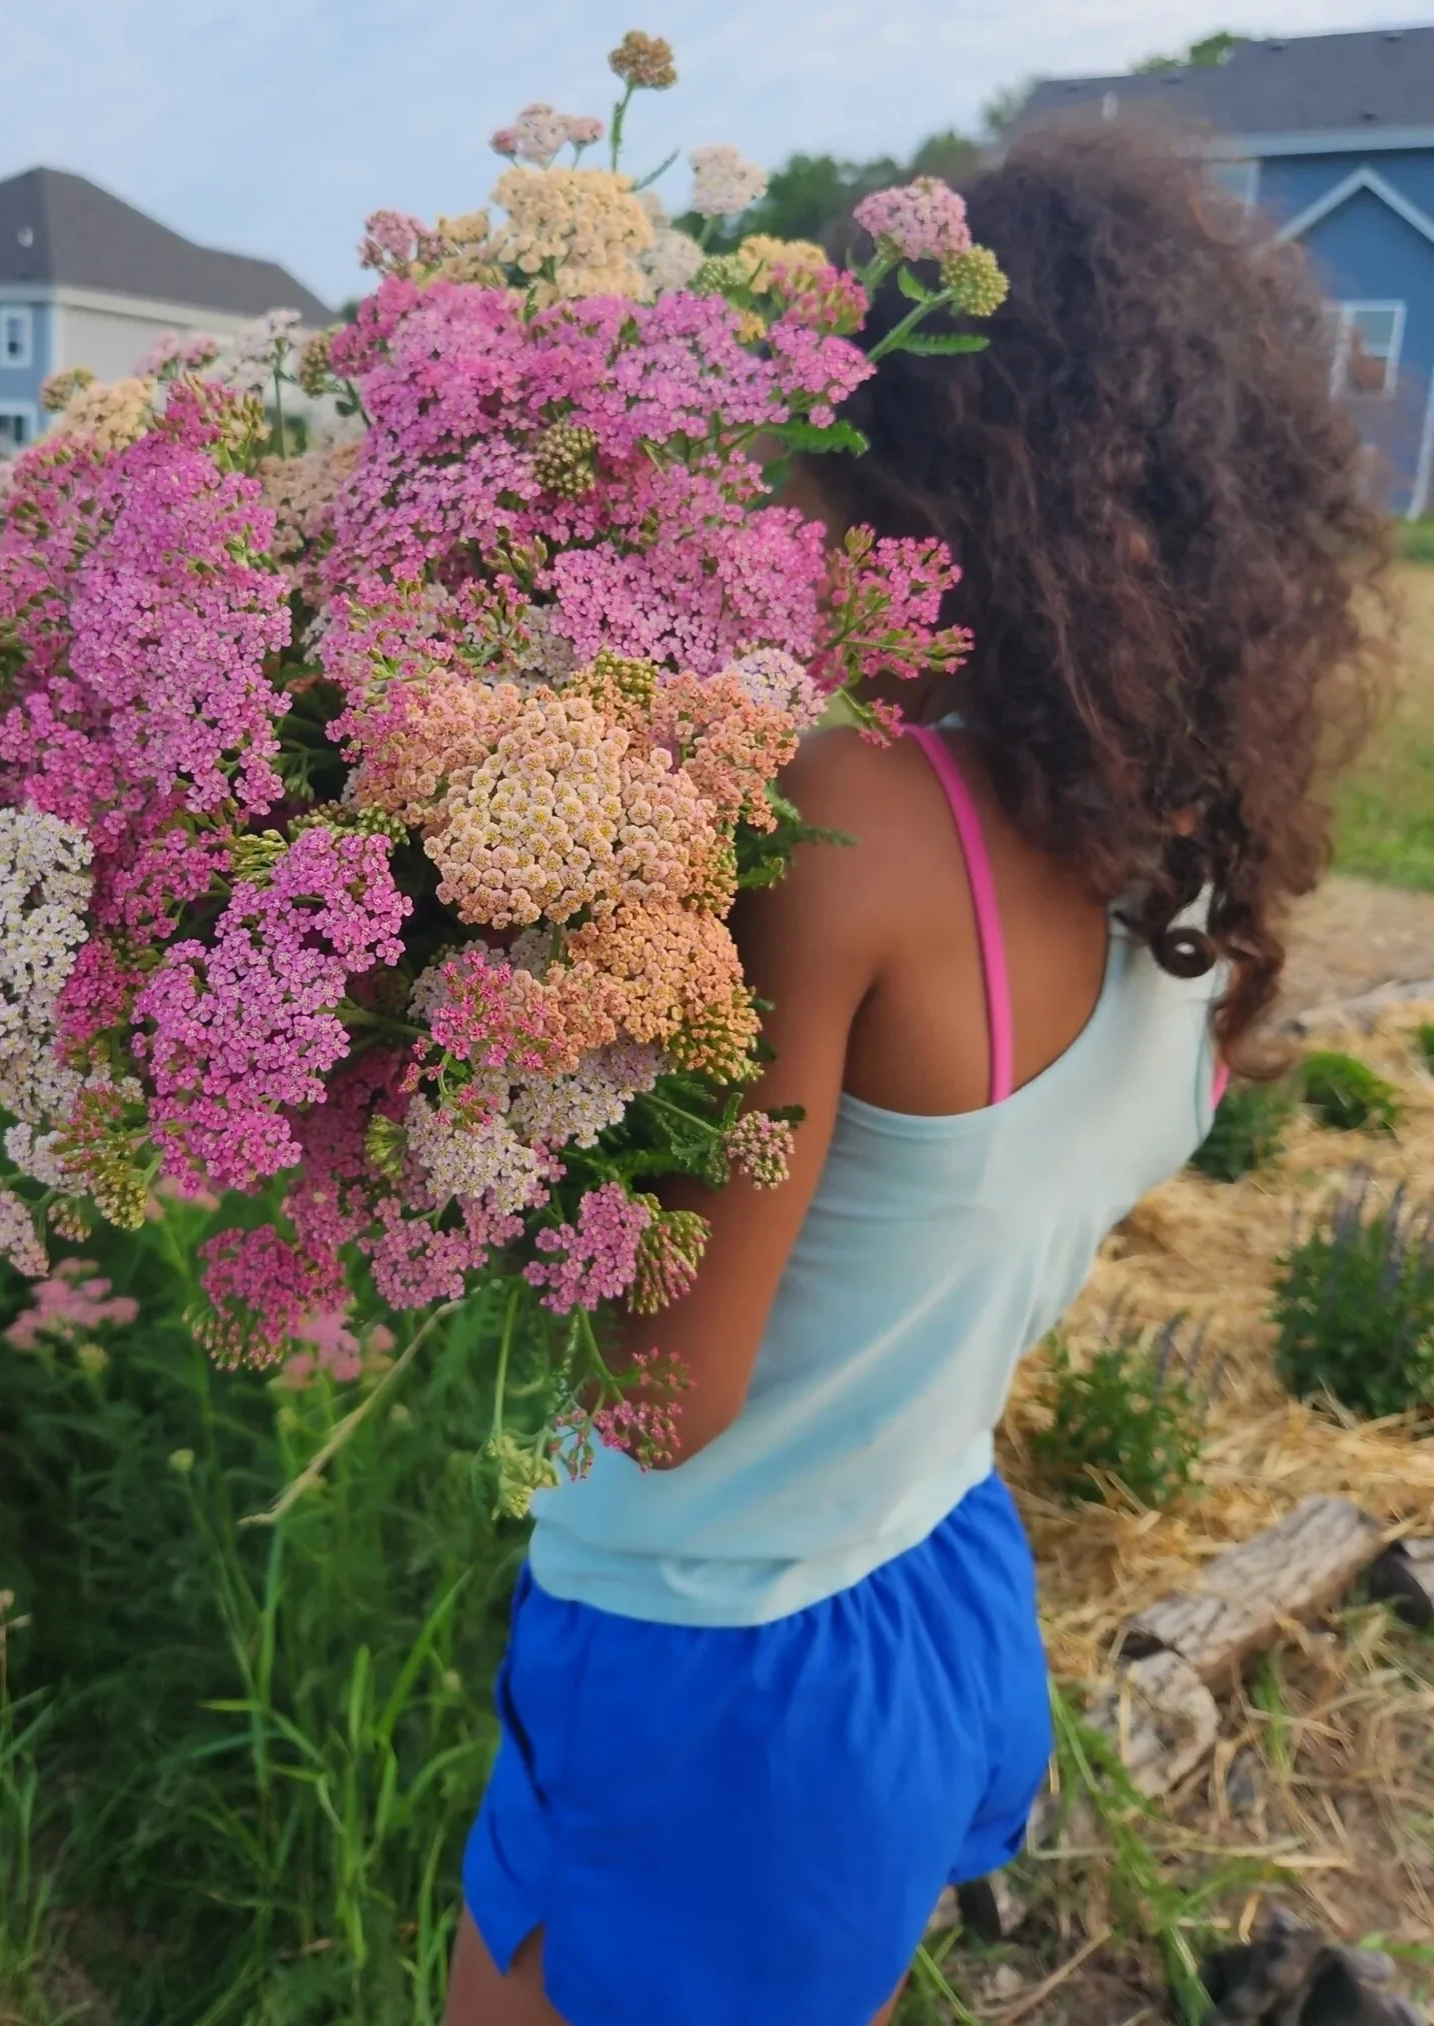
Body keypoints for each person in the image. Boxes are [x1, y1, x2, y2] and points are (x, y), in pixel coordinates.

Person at [446, 121, 1393, 2026]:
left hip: (711, 1659)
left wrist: (511, 1080)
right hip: (932, 1581)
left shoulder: (860, 824)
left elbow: (657, 1400)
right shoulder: (1197, 848)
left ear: (930, 454)